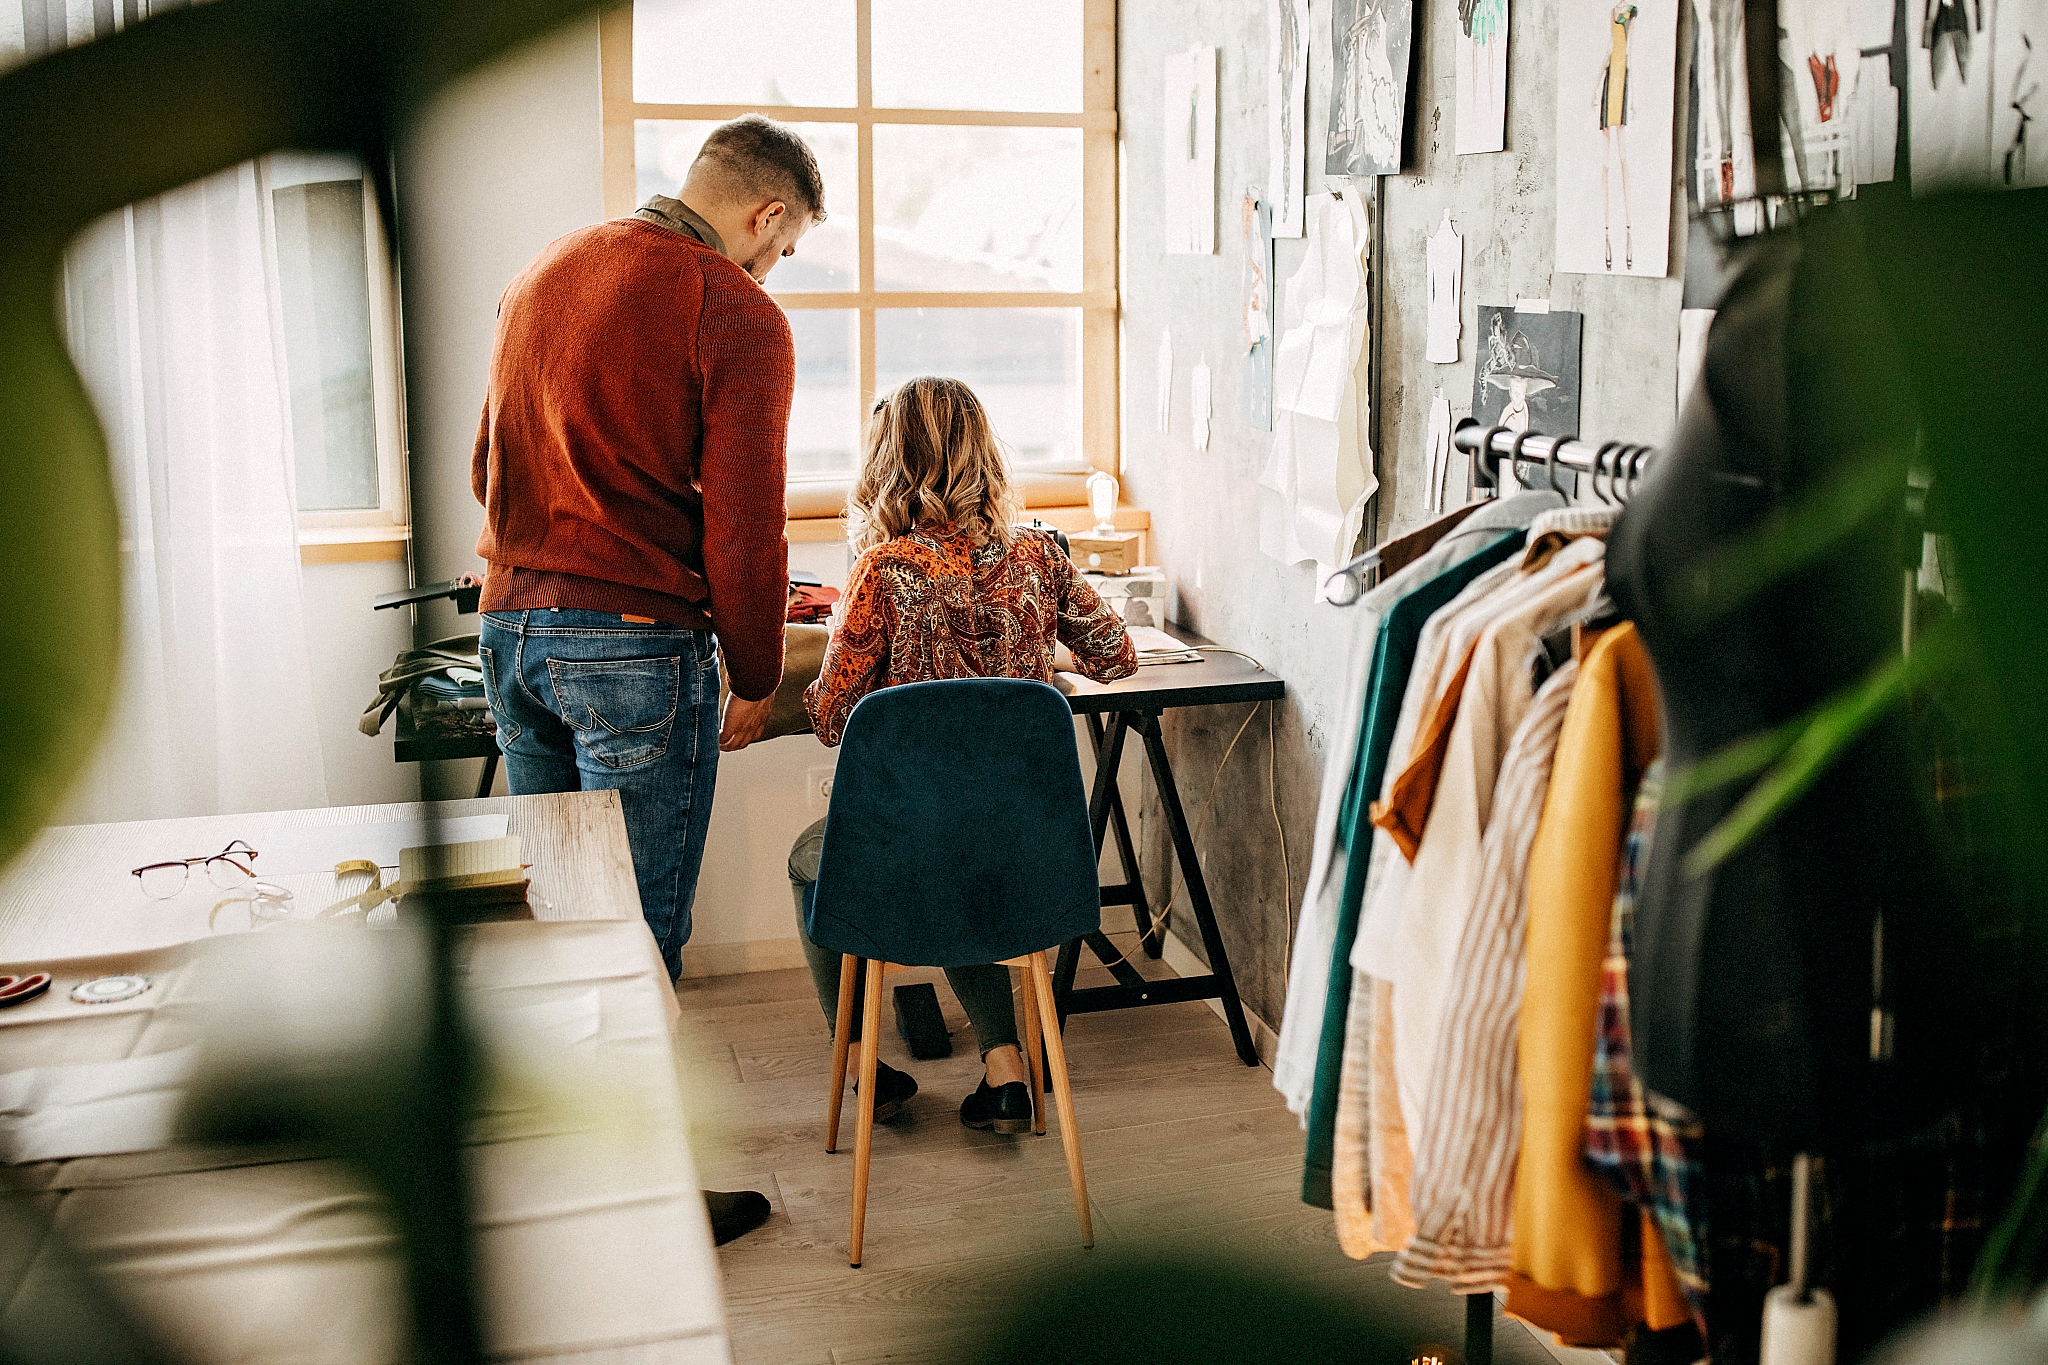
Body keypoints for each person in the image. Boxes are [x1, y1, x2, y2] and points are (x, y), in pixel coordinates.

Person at [471, 115, 825, 1246]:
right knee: (637, 936)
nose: (771, 271)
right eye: (782, 249)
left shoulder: (545, 271)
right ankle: (650, 1205)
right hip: (630, 645)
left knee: (566, 921)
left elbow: (487, 465)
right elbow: (744, 523)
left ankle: (564, 1173)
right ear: (764, 215)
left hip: (510, 632)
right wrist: (759, 673)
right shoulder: (734, 312)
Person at [789, 377, 1139, 1133]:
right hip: (1026, 853)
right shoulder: (1042, 557)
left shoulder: (880, 571)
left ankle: (857, 1063)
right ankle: (1005, 1065)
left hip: (915, 849)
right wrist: (1037, 662)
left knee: (814, 858)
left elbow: (828, 719)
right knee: (965, 853)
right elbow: (1117, 658)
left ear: (889, 463)